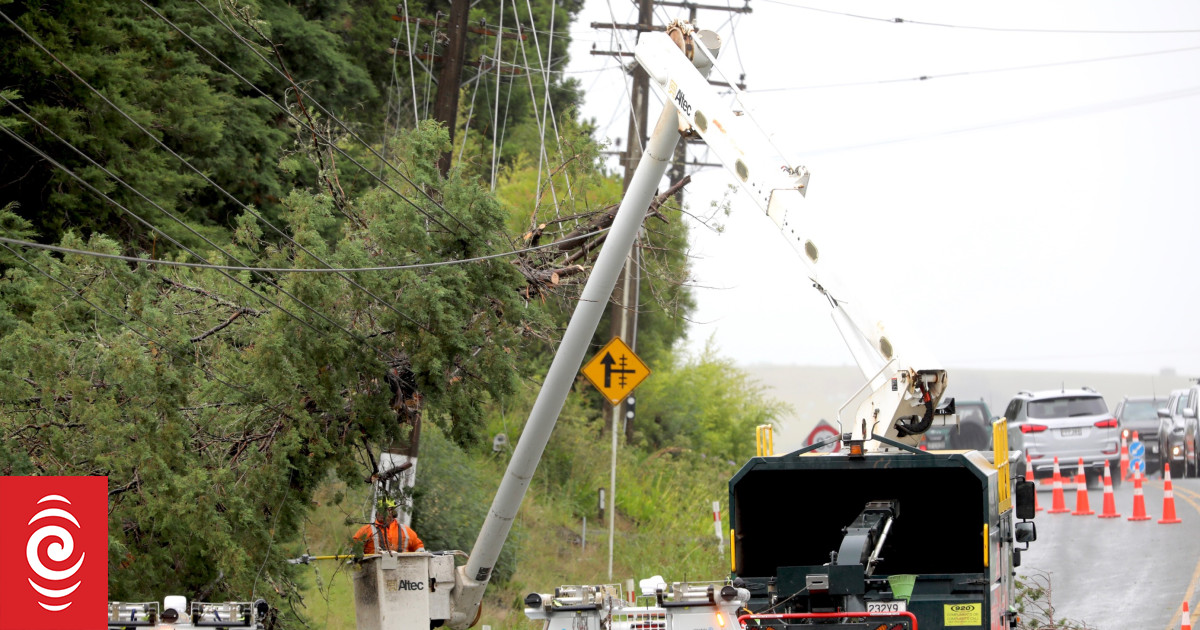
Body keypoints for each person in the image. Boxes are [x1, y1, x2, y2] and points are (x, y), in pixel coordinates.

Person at [353, 498, 424, 554]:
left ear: (393, 513)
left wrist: (421, 555)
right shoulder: (366, 530)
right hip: (374, 568)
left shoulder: (406, 530)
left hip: (402, 569)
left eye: (385, 510)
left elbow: (419, 547)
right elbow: (354, 547)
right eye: (379, 510)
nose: (380, 513)